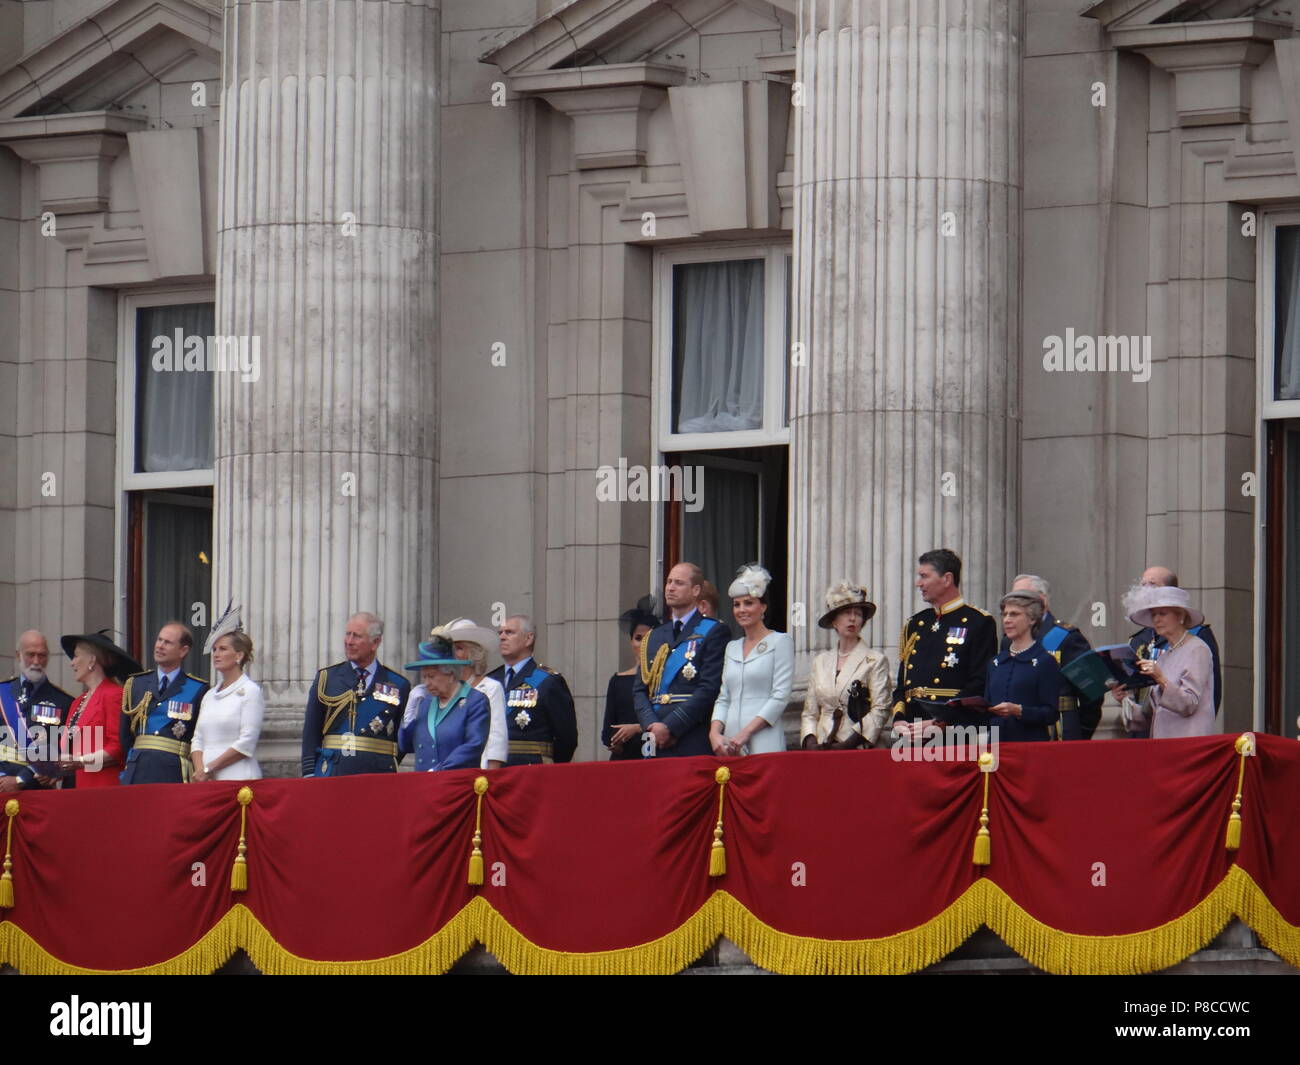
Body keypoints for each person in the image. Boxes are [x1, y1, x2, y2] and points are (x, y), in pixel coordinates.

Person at [890, 548, 997, 737]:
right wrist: (899, 718)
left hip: (956, 730)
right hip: (912, 730)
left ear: (947, 579)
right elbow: (902, 684)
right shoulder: (915, 624)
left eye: (924, 576)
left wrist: (941, 720)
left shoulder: (978, 622)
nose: (918, 583)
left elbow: (979, 684)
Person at [633, 562, 729, 757]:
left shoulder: (713, 631)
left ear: (695, 590)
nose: (670, 587)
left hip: (689, 734)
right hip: (653, 737)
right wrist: (651, 724)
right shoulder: (653, 636)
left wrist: (670, 726)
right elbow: (639, 689)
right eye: (669, 582)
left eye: (678, 583)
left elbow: (709, 689)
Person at [301, 612, 411, 777]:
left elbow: (400, 737)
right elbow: (311, 732)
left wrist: (386, 761)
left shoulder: (398, 684)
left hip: (378, 776)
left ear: (375, 642)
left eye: (357, 636)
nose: (349, 642)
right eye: (347, 634)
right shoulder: (327, 678)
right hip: (333, 774)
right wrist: (309, 773)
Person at [1116, 566, 1222, 735]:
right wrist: (1125, 699)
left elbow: (1189, 704)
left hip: (1188, 746)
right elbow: (1149, 715)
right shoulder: (1165, 657)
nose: (1156, 619)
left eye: (1163, 614)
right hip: (1164, 746)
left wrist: (1160, 678)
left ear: (1180, 615)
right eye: (1153, 614)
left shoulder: (1197, 649)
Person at [1004, 574, 1102, 740]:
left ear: (1042, 601)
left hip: (1058, 731)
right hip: (1020, 730)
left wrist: (1079, 730)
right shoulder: (1008, 641)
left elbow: (1093, 691)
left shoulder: (1067, 637)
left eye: (1022, 597)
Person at [710, 565, 794, 756]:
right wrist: (714, 733)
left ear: (763, 607)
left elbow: (780, 696)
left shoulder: (780, 641)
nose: (741, 610)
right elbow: (724, 698)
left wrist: (746, 733)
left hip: (764, 740)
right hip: (731, 744)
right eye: (736, 604)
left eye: (748, 603)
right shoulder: (732, 647)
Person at [801, 583, 892, 750]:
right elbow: (810, 711)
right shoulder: (820, 662)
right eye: (846, 613)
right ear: (834, 621)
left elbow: (881, 709)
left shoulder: (875, 660)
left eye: (857, 614)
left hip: (859, 746)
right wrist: (810, 741)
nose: (852, 618)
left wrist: (848, 744)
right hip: (822, 747)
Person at [120, 622, 210, 784]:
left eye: (167, 642)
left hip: (173, 771)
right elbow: (125, 735)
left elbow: (198, 735)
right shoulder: (136, 684)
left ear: (183, 651)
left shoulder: (197, 689)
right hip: (138, 769)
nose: (160, 646)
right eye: (159, 640)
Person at [488, 616, 578, 766]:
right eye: (500, 633)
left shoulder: (548, 681)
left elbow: (566, 738)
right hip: (494, 770)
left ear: (528, 639)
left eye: (509, 632)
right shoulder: (491, 680)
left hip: (532, 769)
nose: (502, 637)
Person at [57, 631, 141, 789]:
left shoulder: (114, 695)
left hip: (103, 786)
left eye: (75, 656)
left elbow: (118, 747)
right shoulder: (77, 702)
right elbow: (70, 747)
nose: (72, 663)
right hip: (76, 785)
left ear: (92, 660)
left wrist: (81, 761)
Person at [191, 608, 264, 781]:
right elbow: (197, 738)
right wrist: (200, 770)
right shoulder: (209, 695)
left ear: (239, 655)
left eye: (223, 649)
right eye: (215, 649)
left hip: (238, 777)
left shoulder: (250, 691)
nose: (216, 654)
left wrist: (209, 768)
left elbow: (247, 741)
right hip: (207, 781)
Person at [424, 618, 508, 770]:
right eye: (451, 649)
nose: (454, 654)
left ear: (473, 654)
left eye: (459, 648)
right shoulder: (439, 690)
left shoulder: (490, 687)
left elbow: (496, 738)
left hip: (478, 773)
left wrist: (491, 774)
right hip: (438, 770)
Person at [399, 636, 490, 771]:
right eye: (424, 677)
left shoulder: (474, 701)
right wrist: (408, 718)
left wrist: (440, 769)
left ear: (451, 675)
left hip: (456, 783)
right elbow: (406, 746)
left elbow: (473, 745)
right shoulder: (426, 703)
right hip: (424, 783)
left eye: (431, 676)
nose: (426, 683)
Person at [980, 591, 1061, 742]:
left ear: (1031, 619)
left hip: (1030, 748)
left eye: (1014, 614)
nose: (1007, 620)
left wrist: (1019, 711)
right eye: (1005, 614)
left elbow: (1051, 713)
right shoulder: (995, 663)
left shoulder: (1044, 661)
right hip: (996, 749)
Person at [0, 630, 74, 792]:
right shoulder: (2, 693)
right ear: (18, 655)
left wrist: (21, 779)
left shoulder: (64, 701)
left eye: (42, 655)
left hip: (39, 788)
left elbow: (63, 749)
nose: (36, 661)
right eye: (30, 654)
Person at [603, 597, 659, 761]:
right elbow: (607, 731)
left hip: (655, 756)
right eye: (638, 638)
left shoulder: (663, 680)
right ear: (631, 641)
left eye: (649, 638)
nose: (643, 644)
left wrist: (636, 729)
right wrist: (615, 741)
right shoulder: (618, 680)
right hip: (624, 759)